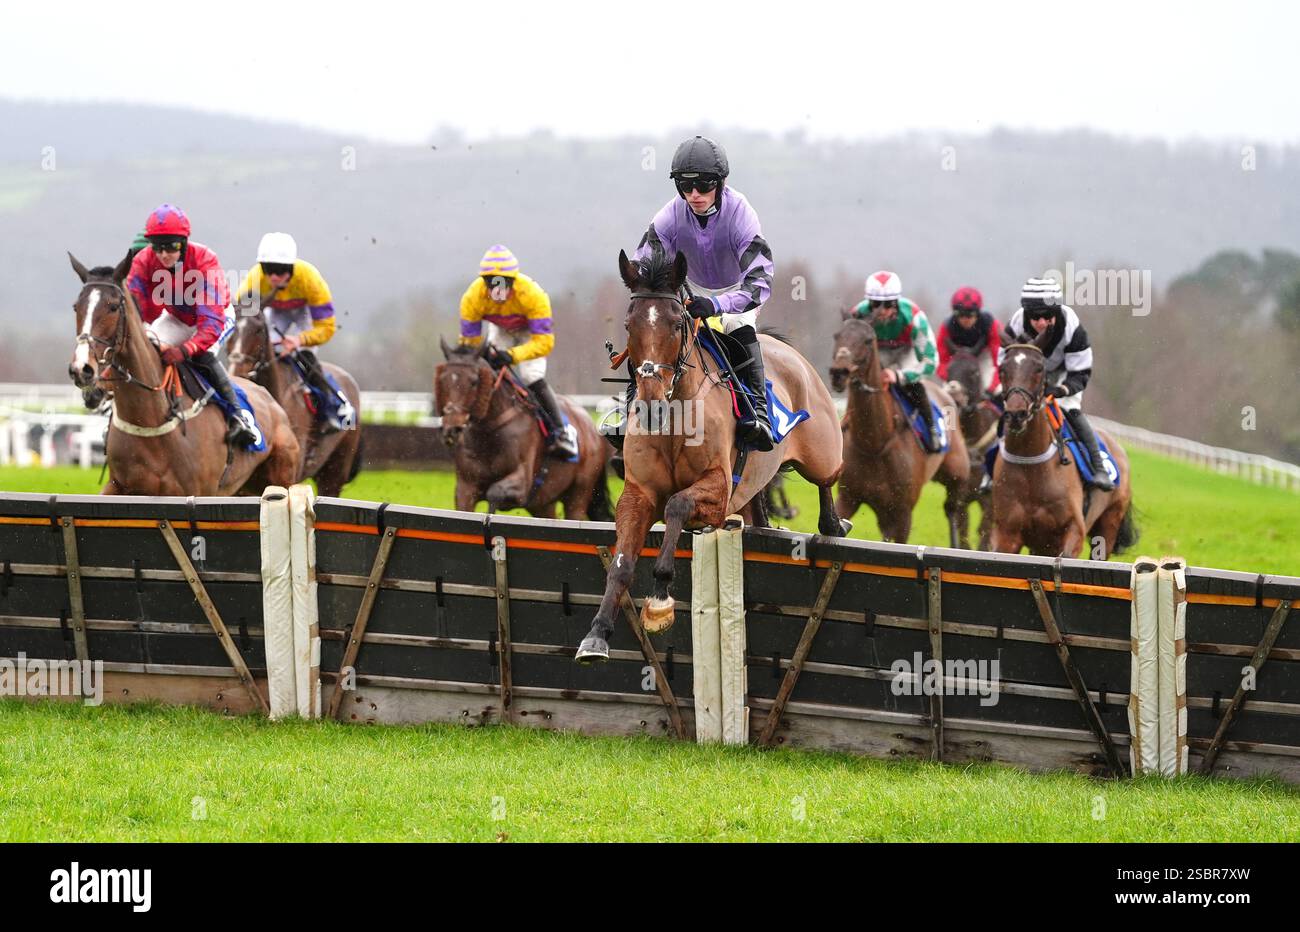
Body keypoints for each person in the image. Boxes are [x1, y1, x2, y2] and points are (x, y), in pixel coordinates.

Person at [613, 134, 775, 452]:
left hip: (737, 292)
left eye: (703, 185)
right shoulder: (668, 217)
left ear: (720, 182)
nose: (695, 194)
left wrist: (716, 304)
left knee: (735, 326)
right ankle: (631, 410)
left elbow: (759, 282)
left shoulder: (742, 214)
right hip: (688, 289)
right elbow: (644, 264)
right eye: (686, 187)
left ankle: (758, 411)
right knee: (652, 328)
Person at [126, 204, 261, 447]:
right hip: (177, 317)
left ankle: (239, 415)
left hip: (214, 317)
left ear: (184, 242)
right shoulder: (144, 260)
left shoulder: (204, 260)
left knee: (202, 357)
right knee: (147, 350)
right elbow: (137, 308)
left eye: (171, 246)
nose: (164, 254)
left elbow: (210, 325)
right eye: (157, 246)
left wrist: (185, 350)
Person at [458, 245, 579, 459]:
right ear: (483, 281)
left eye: (503, 281)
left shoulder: (533, 294)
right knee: (484, 373)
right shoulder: (472, 297)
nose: (497, 288)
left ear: (513, 279)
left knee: (530, 376)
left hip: (530, 333)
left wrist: (513, 356)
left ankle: (562, 432)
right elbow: (470, 346)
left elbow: (544, 343)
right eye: (491, 282)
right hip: (501, 330)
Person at [999, 276, 1114, 491]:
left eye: (1048, 316)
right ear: (1026, 314)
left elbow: (1080, 372)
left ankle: (1099, 468)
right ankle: (990, 471)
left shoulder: (1072, 328)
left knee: (1070, 410)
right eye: (1035, 317)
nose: (1042, 323)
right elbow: (1004, 365)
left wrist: (1061, 390)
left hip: (1064, 374)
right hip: (1025, 376)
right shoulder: (1015, 325)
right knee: (1005, 409)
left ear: (1057, 312)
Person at [234, 232, 356, 432]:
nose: (273, 276)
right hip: (275, 312)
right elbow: (240, 317)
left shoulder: (311, 279)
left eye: (280, 270)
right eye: (268, 269)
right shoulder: (255, 278)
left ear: (292, 267)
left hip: (305, 312)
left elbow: (327, 328)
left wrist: (300, 340)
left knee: (305, 355)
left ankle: (332, 405)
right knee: (259, 350)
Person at [852, 270, 943, 452]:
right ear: (869, 303)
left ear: (897, 303)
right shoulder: (857, 314)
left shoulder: (915, 317)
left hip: (905, 353)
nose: (882, 311)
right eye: (876, 305)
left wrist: (899, 375)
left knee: (913, 386)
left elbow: (931, 361)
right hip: (877, 353)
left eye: (888, 305)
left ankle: (931, 427)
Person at [936, 286, 1001, 396]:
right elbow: (941, 361)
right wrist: (951, 377)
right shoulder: (947, 327)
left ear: (978, 313)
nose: (965, 319)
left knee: (997, 390)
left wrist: (991, 388)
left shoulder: (990, 325)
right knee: (947, 392)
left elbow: (1000, 360)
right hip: (957, 361)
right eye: (960, 315)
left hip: (983, 358)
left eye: (970, 314)